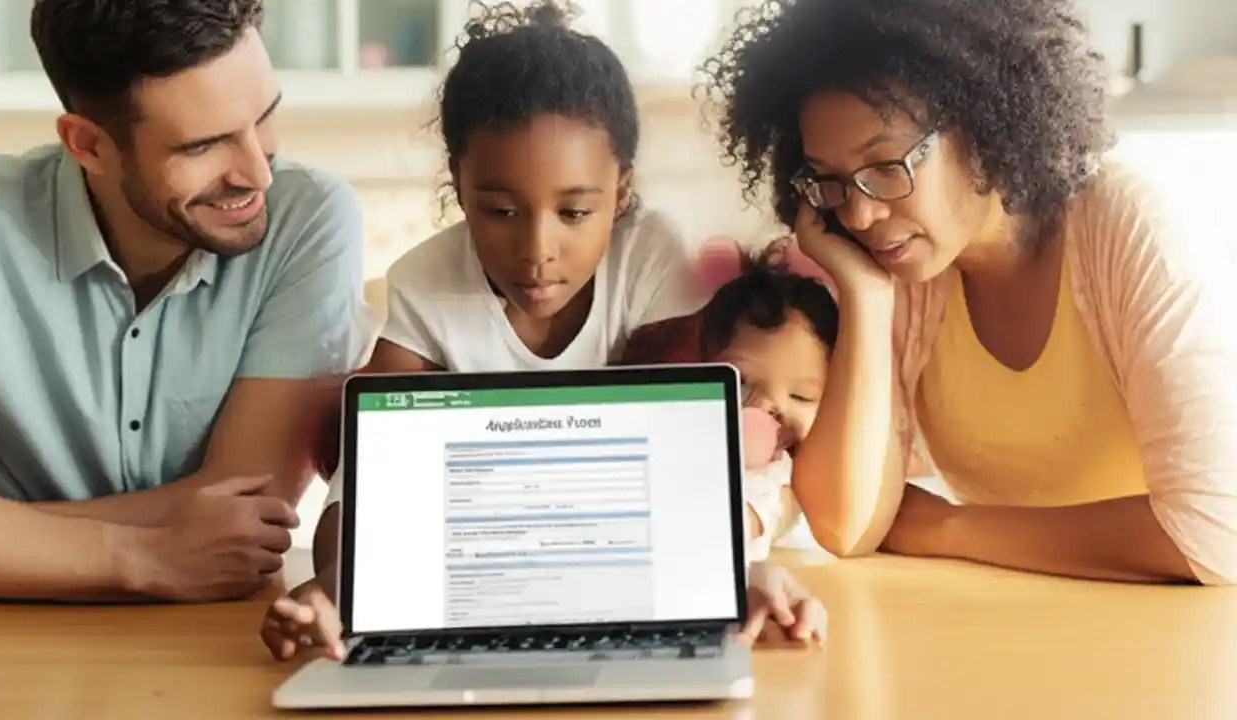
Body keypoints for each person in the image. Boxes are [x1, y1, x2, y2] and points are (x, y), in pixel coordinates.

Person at [263, 0, 825, 662]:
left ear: (621, 193)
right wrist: (338, 588)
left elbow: (689, 462)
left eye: (575, 211)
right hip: (476, 582)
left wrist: (739, 576)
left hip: (624, 577)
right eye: (499, 209)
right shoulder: (425, 283)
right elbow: (365, 473)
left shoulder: (648, 260)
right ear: (459, 186)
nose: (536, 249)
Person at [701, 0, 1237, 584]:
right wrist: (865, 298)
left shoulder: (1125, 227)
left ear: (983, 129)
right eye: (829, 180)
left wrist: (948, 526)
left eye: (884, 165)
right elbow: (848, 526)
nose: (858, 213)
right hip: (1000, 616)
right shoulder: (901, 269)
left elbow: (1215, 530)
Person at [0, 0, 370, 602]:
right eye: (204, 146)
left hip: (210, 643)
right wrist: (143, 557)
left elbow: (251, 514)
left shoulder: (308, 222)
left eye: (266, 117)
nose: (257, 173)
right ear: (89, 146)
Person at [695, 239, 838, 560]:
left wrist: (743, 522)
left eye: (801, 396)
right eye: (742, 383)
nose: (766, 407)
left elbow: (774, 507)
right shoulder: (692, 442)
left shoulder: (791, 474)